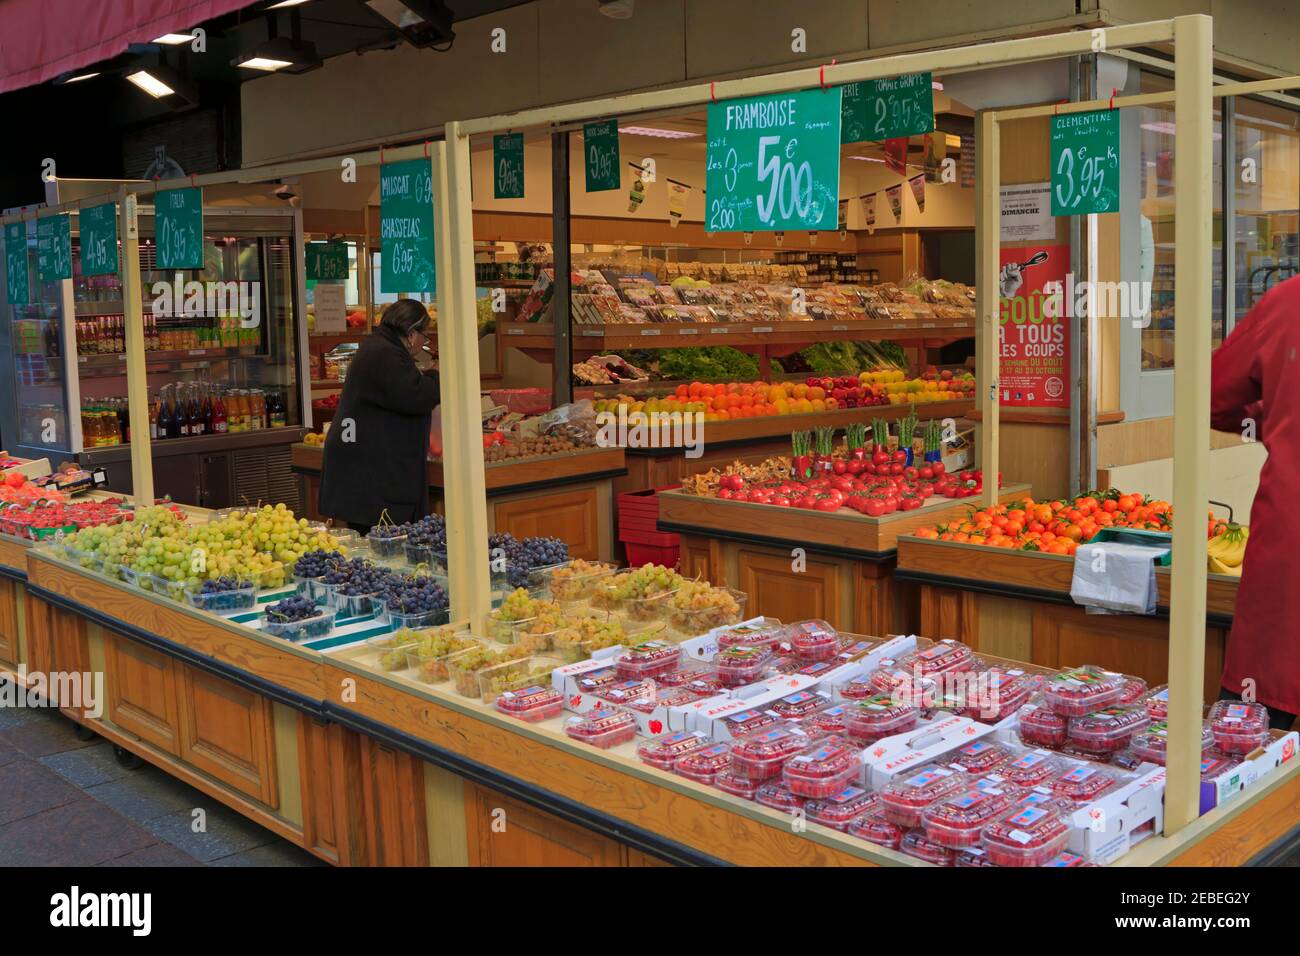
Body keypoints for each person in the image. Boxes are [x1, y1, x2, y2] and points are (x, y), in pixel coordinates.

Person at [1210, 274, 1300, 731]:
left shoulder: (1288, 301)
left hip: (1289, 551)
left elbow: (1211, 396)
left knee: (1251, 750)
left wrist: (1274, 418)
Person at [318, 299, 439, 533]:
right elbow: (415, 396)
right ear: (412, 334)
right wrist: (437, 376)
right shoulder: (384, 353)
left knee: (371, 541)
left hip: (363, 469)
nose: (425, 342)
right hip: (369, 476)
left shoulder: (379, 346)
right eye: (425, 336)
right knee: (379, 547)